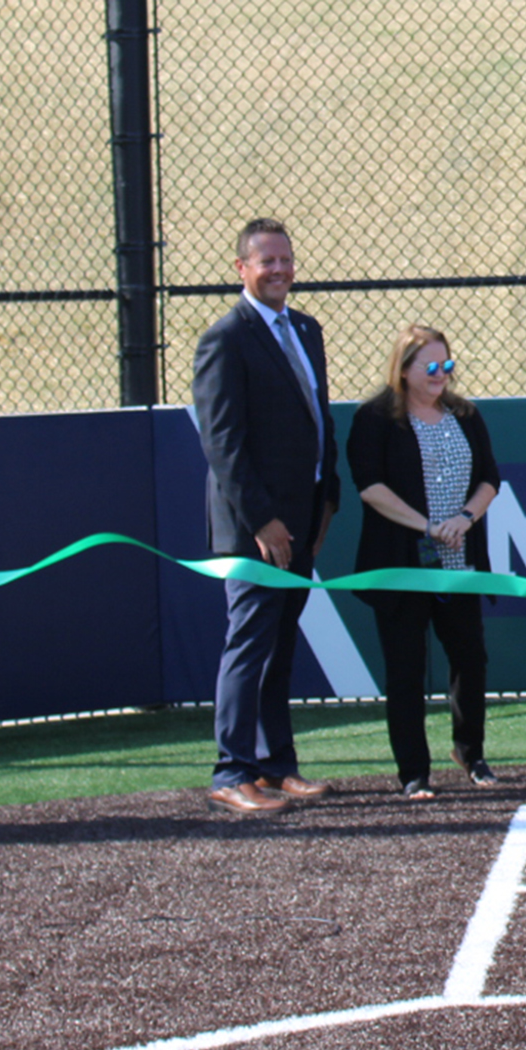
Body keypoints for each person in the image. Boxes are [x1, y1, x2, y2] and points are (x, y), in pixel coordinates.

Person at [191, 217, 340, 814]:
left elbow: (316, 418)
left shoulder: (306, 328)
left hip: (304, 519)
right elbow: (223, 443)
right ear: (242, 270)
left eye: (286, 259)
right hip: (254, 530)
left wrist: (324, 500)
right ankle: (232, 771)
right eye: (266, 262)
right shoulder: (225, 338)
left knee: (281, 644)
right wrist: (262, 520)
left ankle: (277, 766)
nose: (279, 270)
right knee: (249, 643)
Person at [347, 325, 502, 800]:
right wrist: (426, 526)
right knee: (406, 668)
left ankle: (470, 751)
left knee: (470, 658)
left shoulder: (465, 414)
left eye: (447, 365)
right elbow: (370, 487)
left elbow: (490, 479)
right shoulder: (375, 419)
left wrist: (464, 518)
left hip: (458, 562)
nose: (441, 375)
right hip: (401, 563)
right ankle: (413, 771)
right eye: (430, 367)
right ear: (404, 368)